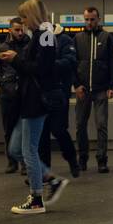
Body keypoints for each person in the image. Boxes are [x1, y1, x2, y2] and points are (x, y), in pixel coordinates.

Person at [2, 0, 74, 214]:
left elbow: (42, 68)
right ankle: (51, 181)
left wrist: (15, 59)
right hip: (29, 100)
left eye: (24, 17)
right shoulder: (40, 35)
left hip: (36, 100)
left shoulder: (45, 36)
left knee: (28, 150)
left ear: (33, 15)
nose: (23, 22)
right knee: (16, 149)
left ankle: (36, 198)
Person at [74, 6, 113, 174]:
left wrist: (112, 86)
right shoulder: (77, 38)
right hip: (83, 90)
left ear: (98, 19)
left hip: (101, 89)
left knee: (101, 125)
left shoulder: (106, 37)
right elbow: (73, 63)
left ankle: (102, 160)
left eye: (92, 19)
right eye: (86, 19)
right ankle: (82, 159)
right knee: (80, 125)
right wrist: (76, 85)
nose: (89, 22)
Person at [37, 19, 81, 179]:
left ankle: (72, 160)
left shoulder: (65, 40)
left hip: (59, 93)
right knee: (42, 135)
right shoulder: (41, 39)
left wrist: (50, 65)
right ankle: (45, 172)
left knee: (59, 130)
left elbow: (70, 61)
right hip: (42, 94)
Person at [0, 18, 29, 174]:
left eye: (22, 29)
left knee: (25, 129)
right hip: (8, 94)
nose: (20, 32)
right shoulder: (1, 49)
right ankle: (12, 162)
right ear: (10, 30)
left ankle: (25, 162)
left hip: (25, 93)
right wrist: (2, 82)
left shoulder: (28, 45)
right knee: (9, 129)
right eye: (17, 30)